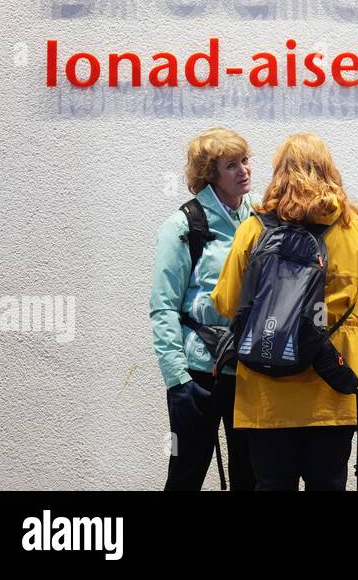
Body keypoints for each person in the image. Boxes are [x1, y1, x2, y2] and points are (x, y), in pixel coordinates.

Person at [211, 133, 358, 491]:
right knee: (329, 484)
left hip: (267, 387)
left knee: (270, 484)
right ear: (329, 170)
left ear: (279, 173)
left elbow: (226, 302)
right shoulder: (352, 230)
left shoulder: (253, 229)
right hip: (333, 383)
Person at [150, 127, 257, 491]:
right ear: (210, 174)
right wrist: (176, 379)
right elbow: (163, 306)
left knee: (252, 476)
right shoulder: (183, 225)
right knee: (186, 473)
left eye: (245, 160)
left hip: (249, 368)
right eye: (232, 165)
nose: (244, 170)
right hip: (198, 371)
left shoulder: (260, 216)